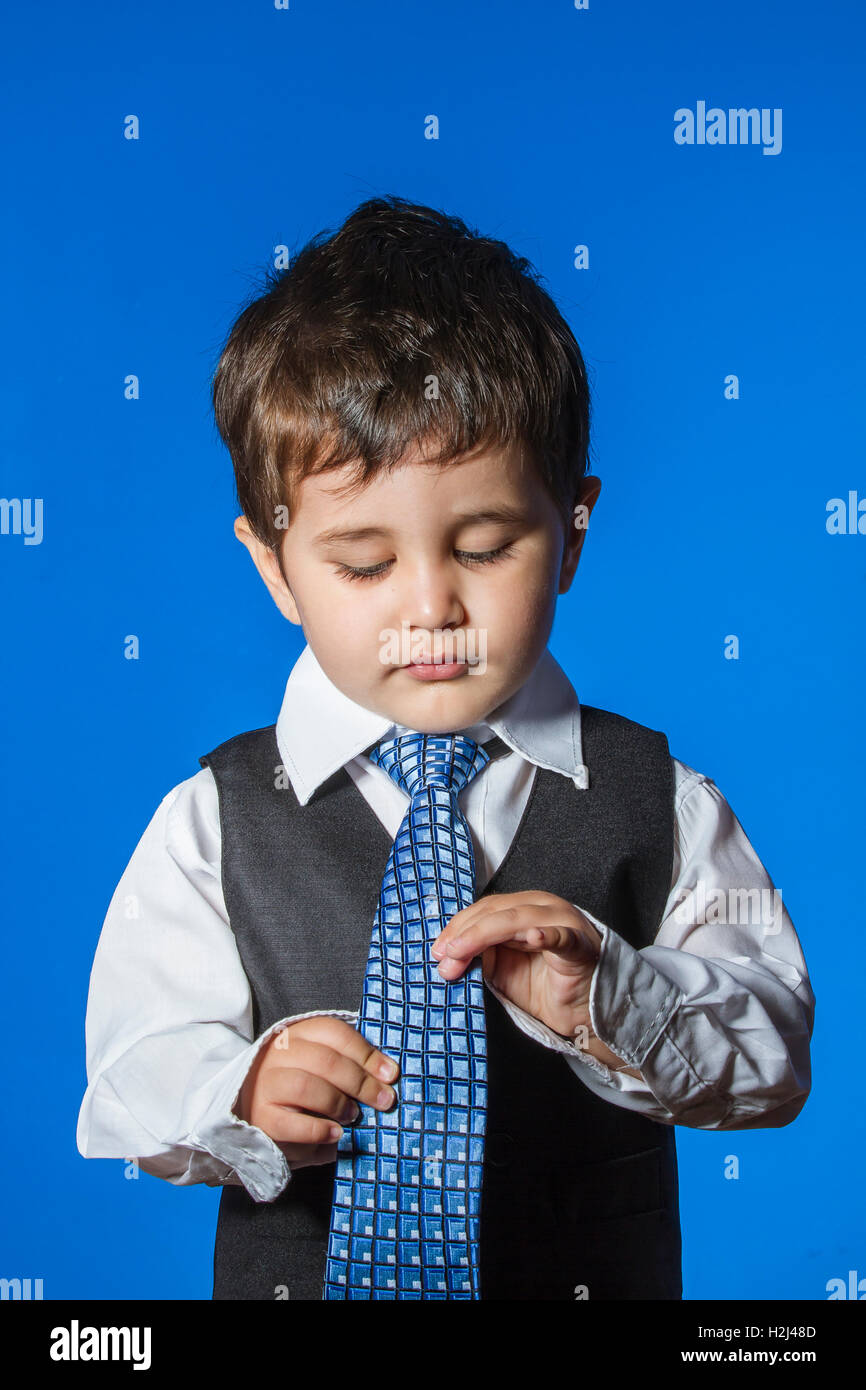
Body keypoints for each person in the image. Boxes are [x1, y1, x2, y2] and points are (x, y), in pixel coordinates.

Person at [77, 195, 814, 1300]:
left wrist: (609, 995)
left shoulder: (655, 799)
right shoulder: (214, 819)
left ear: (570, 529)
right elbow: (127, 1077)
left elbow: (770, 1060)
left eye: (483, 544)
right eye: (363, 565)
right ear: (274, 568)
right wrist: (241, 1087)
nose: (430, 605)